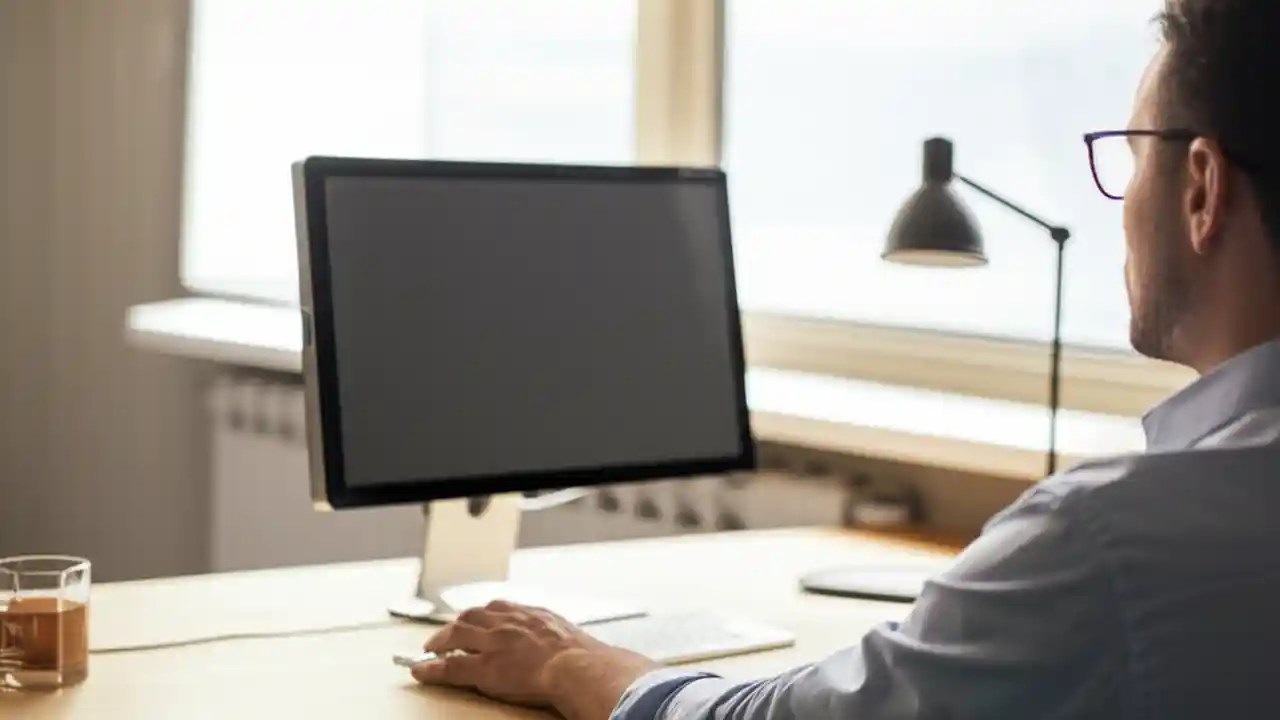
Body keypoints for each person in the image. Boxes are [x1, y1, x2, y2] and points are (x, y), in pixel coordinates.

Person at [409, 0, 1280, 717]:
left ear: (1201, 188)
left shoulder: (1109, 541)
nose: (1120, 205)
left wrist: (575, 667)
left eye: (1129, 159)